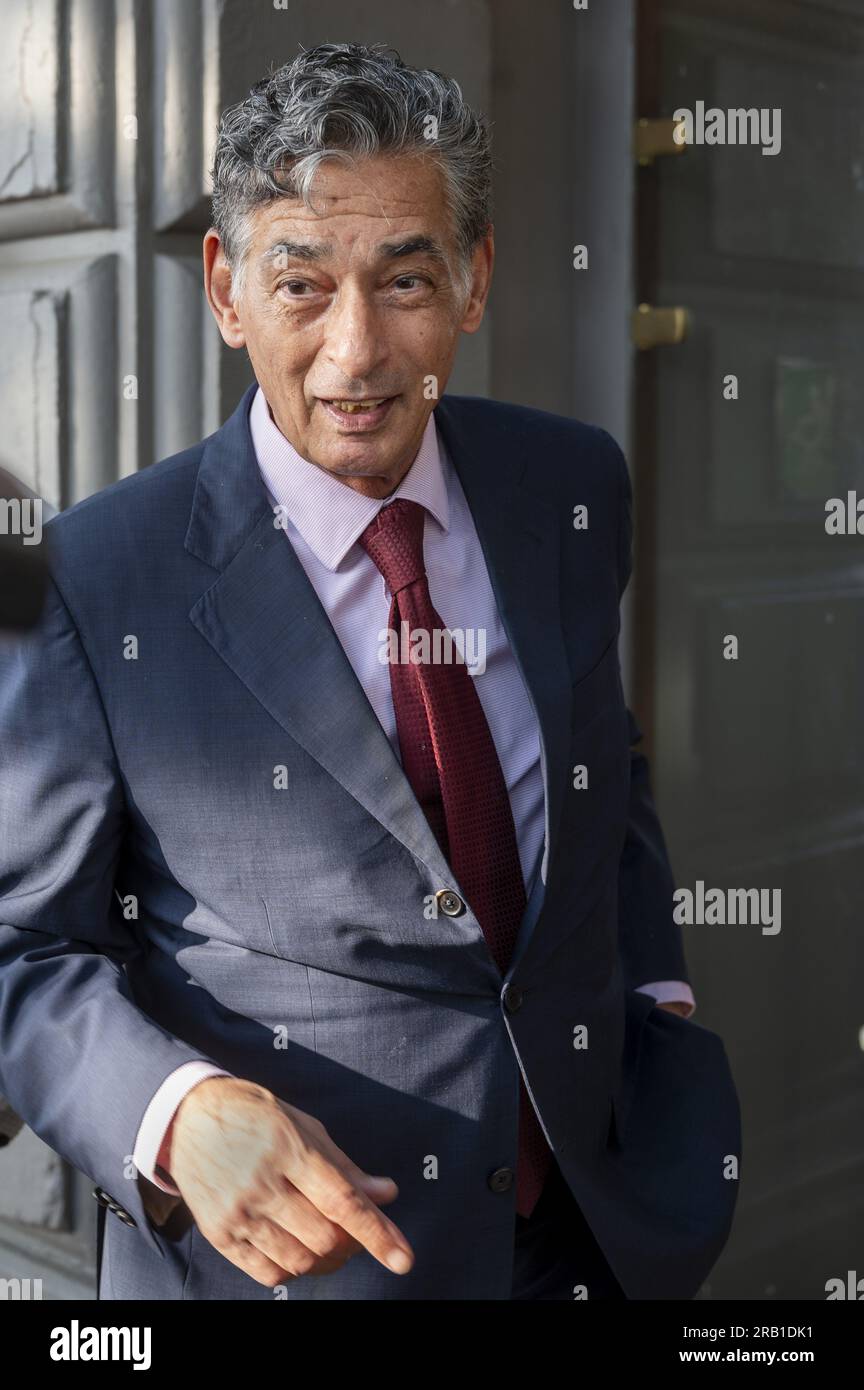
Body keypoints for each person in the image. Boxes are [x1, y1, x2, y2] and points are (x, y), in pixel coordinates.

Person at [0, 42, 739, 1301]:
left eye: (405, 280)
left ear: (476, 278)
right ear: (226, 291)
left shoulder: (569, 484)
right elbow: (24, 954)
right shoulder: (90, 577)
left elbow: (599, 756)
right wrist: (172, 1114)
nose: (357, 354)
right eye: (301, 286)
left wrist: (654, 992)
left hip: (593, 1236)